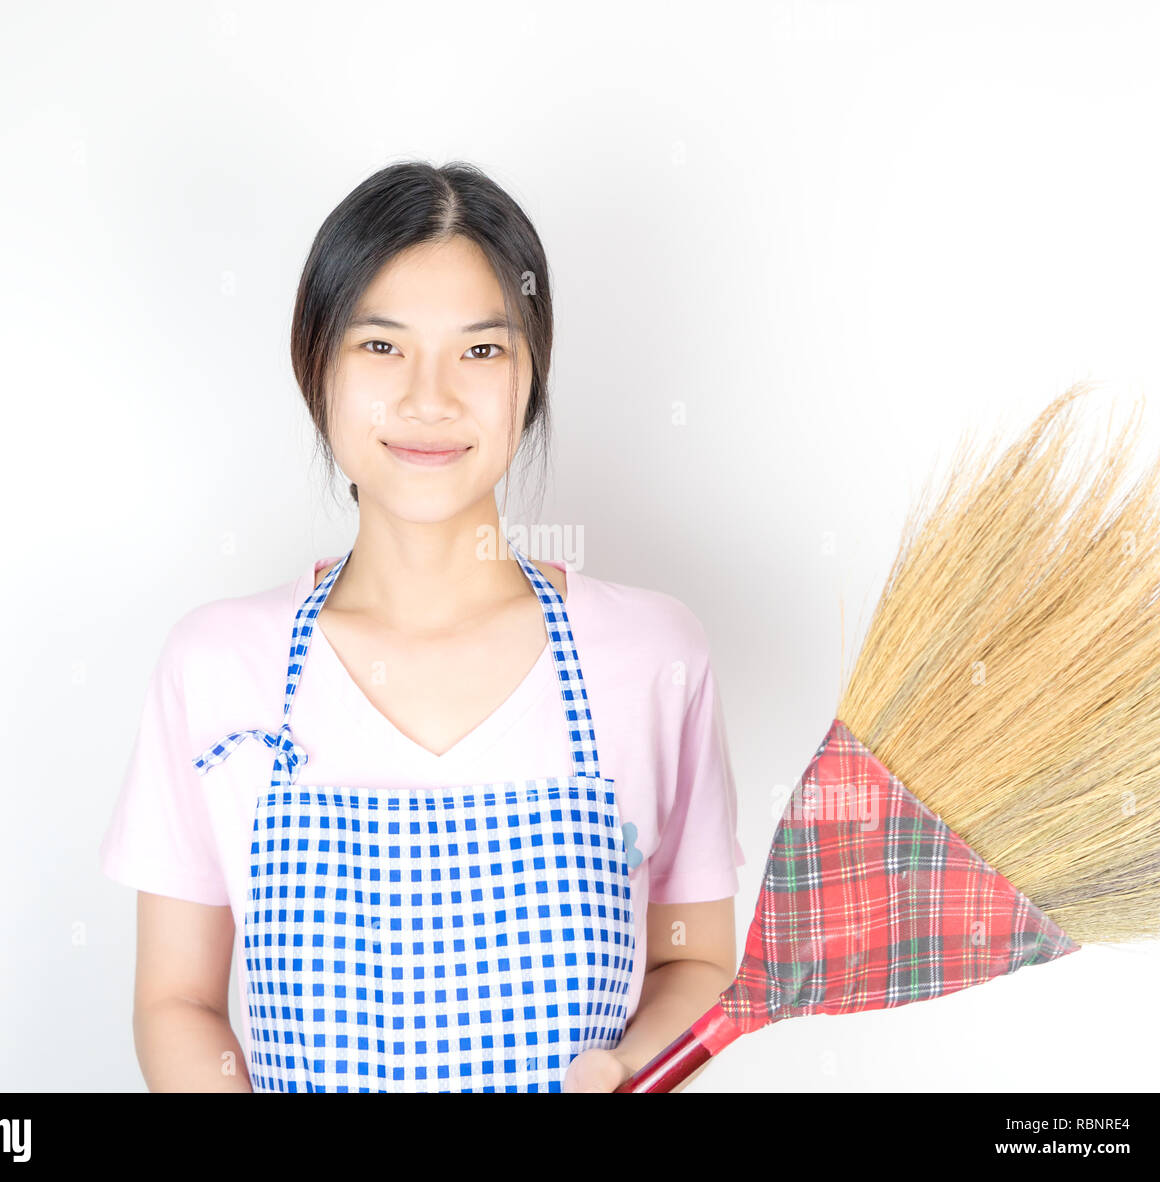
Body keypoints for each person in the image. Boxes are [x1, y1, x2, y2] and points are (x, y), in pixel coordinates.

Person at [99, 160, 747, 1093]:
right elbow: (177, 1001)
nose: (430, 399)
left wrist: (623, 1069)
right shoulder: (217, 664)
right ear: (316, 366)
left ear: (531, 377)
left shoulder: (652, 655)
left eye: (481, 351)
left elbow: (696, 958)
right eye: (381, 346)